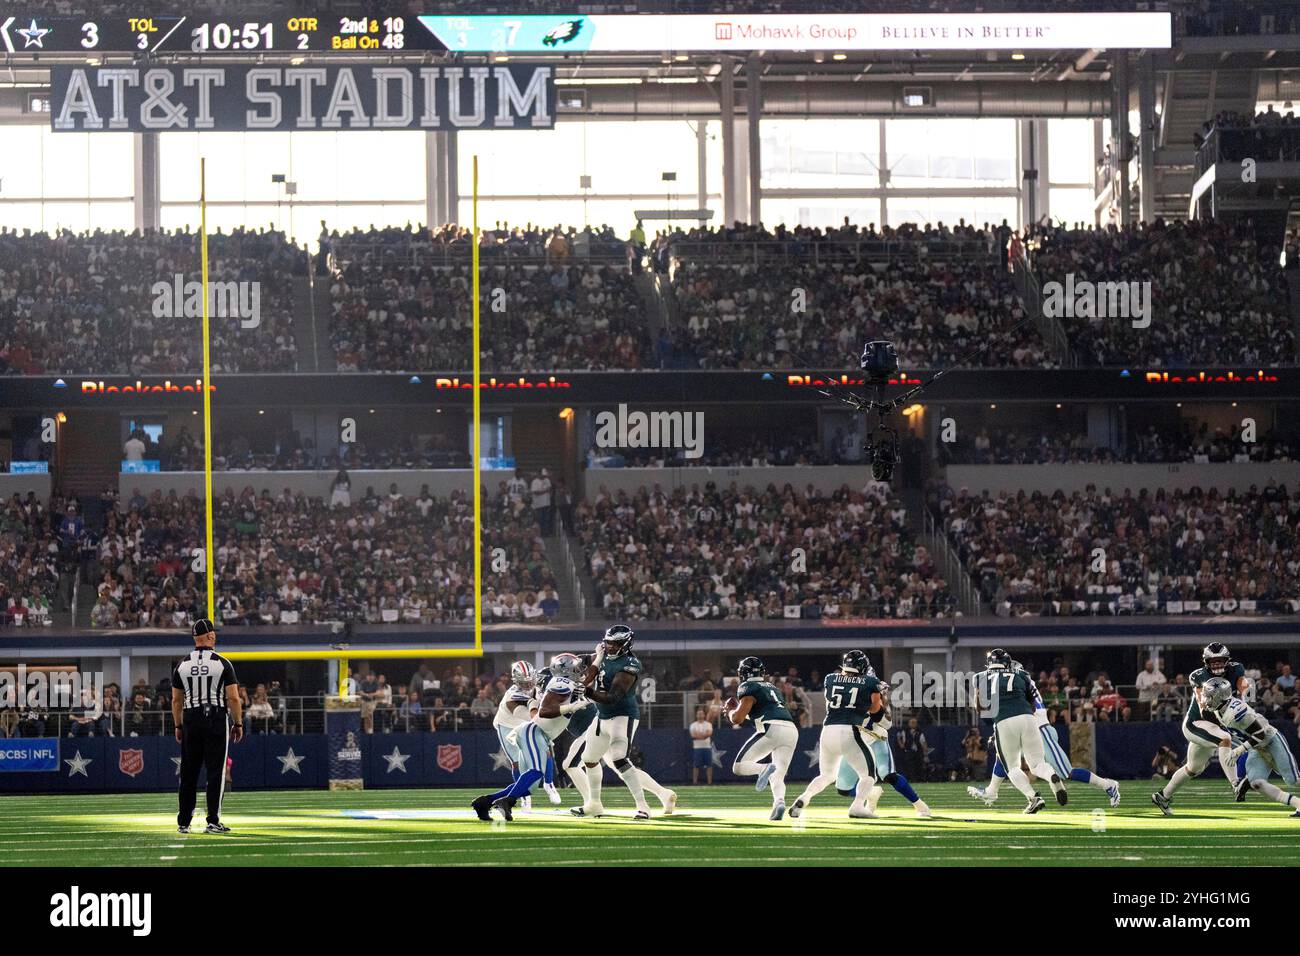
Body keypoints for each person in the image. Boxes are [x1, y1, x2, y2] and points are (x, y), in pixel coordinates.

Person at [969, 659, 1119, 809]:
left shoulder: (1018, 682)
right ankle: (992, 790)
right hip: (1030, 727)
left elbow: (1024, 708)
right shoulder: (1019, 680)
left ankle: (1108, 785)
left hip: (1041, 729)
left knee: (1066, 772)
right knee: (1003, 759)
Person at [472, 654, 589, 822]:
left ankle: (484, 802)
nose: (528, 685)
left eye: (530, 681)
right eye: (523, 683)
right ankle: (511, 800)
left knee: (530, 786)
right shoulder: (514, 696)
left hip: (534, 729)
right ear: (515, 680)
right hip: (515, 727)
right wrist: (568, 706)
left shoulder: (546, 682)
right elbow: (537, 716)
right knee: (530, 770)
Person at [576, 624, 676, 819]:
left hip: (622, 716)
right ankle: (594, 804)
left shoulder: (630, 663)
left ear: (626, 644)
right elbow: (587, 667)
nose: (610, 647)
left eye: (615, 644)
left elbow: (613, 697)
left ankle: (643, 806)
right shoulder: (603, 654)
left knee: (619, 759)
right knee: (589, 759)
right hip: (601, 716)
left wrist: (586, 691)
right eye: (608, 642)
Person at [1152, 642, 1249, 816]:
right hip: (1195, 723)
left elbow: (1243, 687)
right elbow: (1201, 702)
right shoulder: (1199, 676)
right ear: (1206, 662)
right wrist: (1208, 700)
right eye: (1213, 661)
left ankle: (1162, 796)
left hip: (1213, 726)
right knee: (1224, 738)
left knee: (1194, 768)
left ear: (1227, 661)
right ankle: (1236, 784)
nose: (1217, 664)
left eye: (1220, 661)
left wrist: (1245, 694)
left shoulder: (1236, 669)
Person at [789, 649, 884, 820]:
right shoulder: (871, 682)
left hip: (828, 731)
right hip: (849, 731)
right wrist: (878, 692)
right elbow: (876, 713)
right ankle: (857, 806)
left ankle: (803, 798)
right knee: (869, 775)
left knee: (827, 775)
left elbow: (842, 698)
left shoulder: (830, 679)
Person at [172, 618, 243, 834]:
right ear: (210, 636)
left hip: (191, 718)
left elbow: (176, 700)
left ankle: (184, 821)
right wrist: (238, 723)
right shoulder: (222, 663)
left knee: (188, 772)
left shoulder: (182, 664)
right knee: (215, 772)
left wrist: (178, 726)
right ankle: (213, 821)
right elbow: (233, 697)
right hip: (215, 718)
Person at [976, 648, 1066, 814]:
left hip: (1004, 720)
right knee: (1038, 764)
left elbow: (980, 707)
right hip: (1028, 718)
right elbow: (1031, 700)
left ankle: (1033, 798)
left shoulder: (981, 677)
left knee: (1012, 767)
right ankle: (1052, 775)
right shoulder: (1021, 674)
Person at [836, 670, 932, 818]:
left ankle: (921, 806)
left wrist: (882, 702)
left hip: (875, 738)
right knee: (843, 788)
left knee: (888, 775)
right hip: (856, 741)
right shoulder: (845, 691)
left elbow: (887, 723)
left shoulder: (876, 692)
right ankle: (871, 793)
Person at [1203, 677, 1300, 815]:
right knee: (1257, 783)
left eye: (1210, 696)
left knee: (1293, 780)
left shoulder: (1236, 711)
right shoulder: (1219, 710)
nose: (1207, 699)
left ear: (1220, 696)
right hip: (1256, 748)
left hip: (1271, 740)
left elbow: (1260, 734)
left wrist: (1239, 750)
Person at [725, 656, 798, 820]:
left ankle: (763, 769)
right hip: (791, 729)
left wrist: (730, 711)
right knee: (778, 775)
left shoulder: (748, 686)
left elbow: (738, 719)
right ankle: (779, 802)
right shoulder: (772, 687)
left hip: (771, 728)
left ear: (743, 673)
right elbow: (760, 712)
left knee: (739, 766)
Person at [689, 706, 714, 785]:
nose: (700, 715)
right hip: (697, 748)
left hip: (707, 747)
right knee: (696, 766)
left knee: (709, 765)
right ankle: (695, 782)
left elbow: (708, 734)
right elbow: (693, 736)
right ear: (696, 715)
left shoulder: (708, 724)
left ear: (704, 715)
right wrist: (703, 735)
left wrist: (699, 735)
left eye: (701, 714)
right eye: (698, 714)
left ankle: (709, 782)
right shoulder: (693, 725)